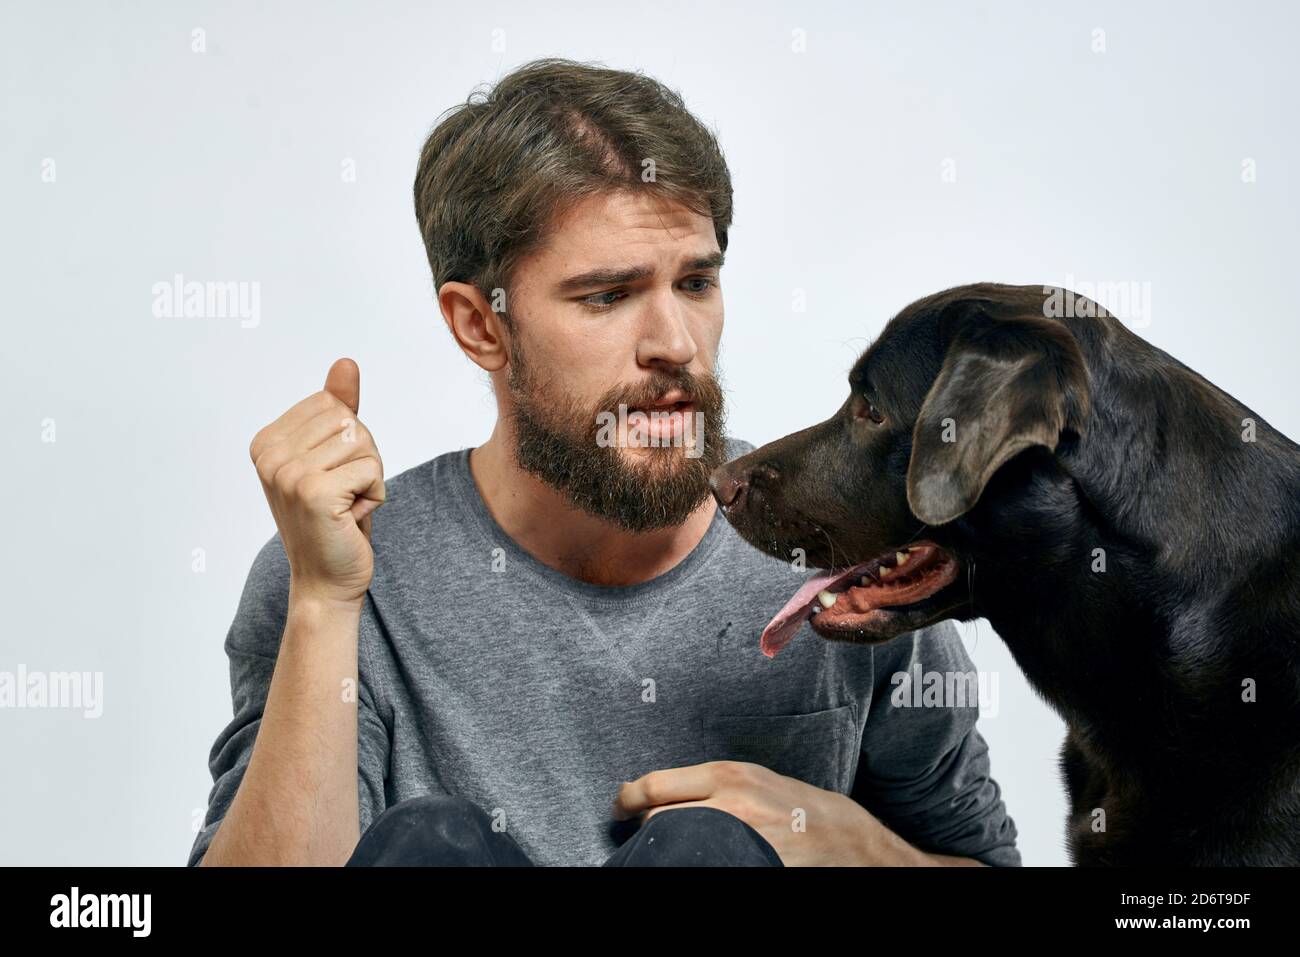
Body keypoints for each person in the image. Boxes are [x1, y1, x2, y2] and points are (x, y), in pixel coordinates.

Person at [190, 58, 1020, 867]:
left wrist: (858, 852)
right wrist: (322, 602)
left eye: (695, 284)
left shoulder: (843, 552)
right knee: (426, 845)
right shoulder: (345, 569)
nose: (677, 345)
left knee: (708, 853)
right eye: (608, 296)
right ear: (482, 325)